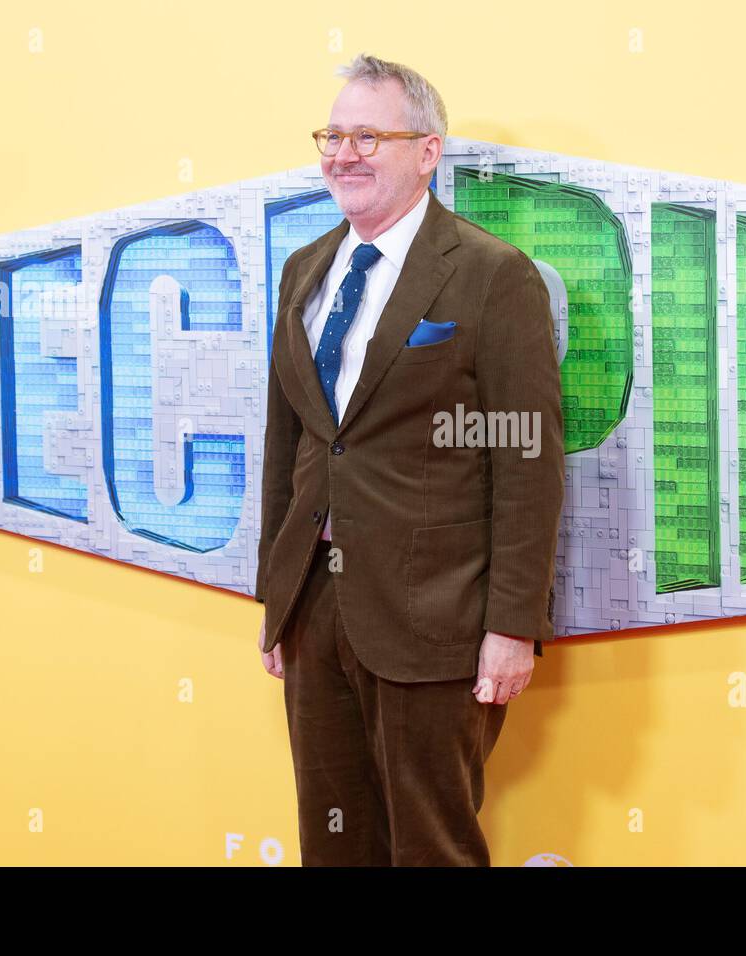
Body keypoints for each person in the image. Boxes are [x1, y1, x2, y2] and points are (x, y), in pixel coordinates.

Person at [253, 53, 565, 866]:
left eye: (368, 135)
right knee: (334, 845)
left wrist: (511, 628)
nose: (343, 154)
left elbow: (528, 467)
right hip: (317, 609)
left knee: (431, 848)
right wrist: (277, 597)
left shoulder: (495, 278)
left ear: (429, 150)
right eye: (333, 134)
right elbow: (291, 443)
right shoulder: (304, 272)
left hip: (438, 618)